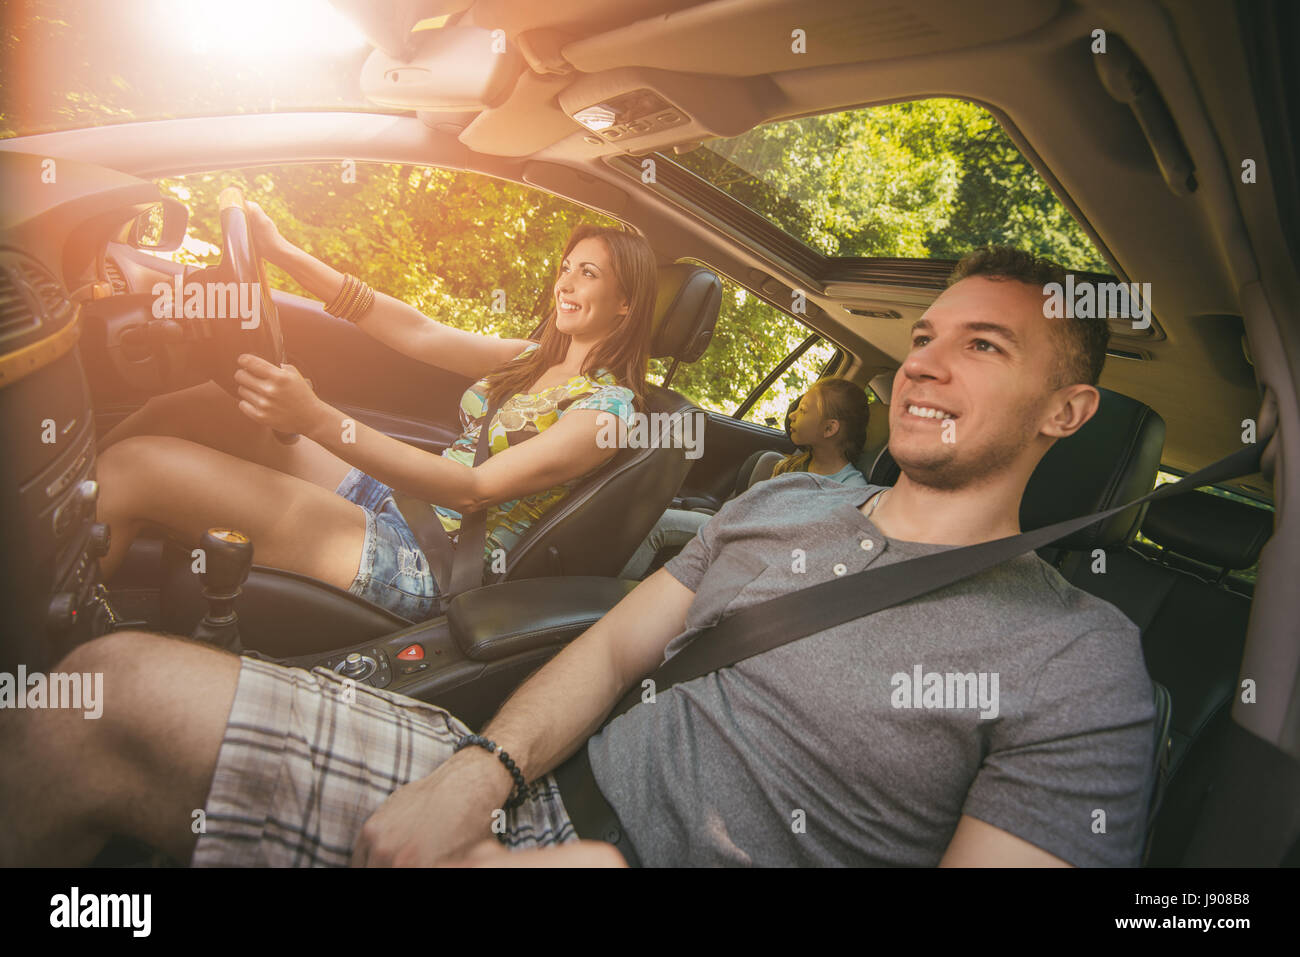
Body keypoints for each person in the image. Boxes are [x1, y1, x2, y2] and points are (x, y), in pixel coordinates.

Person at [0, 246, 1156, 868]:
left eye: (982, 346)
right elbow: (608, 653)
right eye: (921, 340)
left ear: (1066, 412)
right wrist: (476, 778)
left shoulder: (1078, 662)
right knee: (102, 691)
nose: (921, 366)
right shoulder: (787, 503)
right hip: (526, 783)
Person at [93, 215, 654, 621]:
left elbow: (473, 489)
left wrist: (315, 416)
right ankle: (75, 507)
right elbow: (416, 331)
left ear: (625, 302)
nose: (566, 283)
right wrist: (281, 251)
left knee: (134, 468)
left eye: (588, 274)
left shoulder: (607, 412)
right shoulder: (529, 358)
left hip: (428, 562)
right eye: (565, 268)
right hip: (398, 501)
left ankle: (44, 624)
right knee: (203, 403)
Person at [619, 377, 871, 580]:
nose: (792, 415)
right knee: (652, 518)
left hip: (767, 550)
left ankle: (612, 599)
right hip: (739, 526)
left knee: (658, 526)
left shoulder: (851, 490)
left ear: (829, 429)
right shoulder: (794, 462)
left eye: (803, 410)